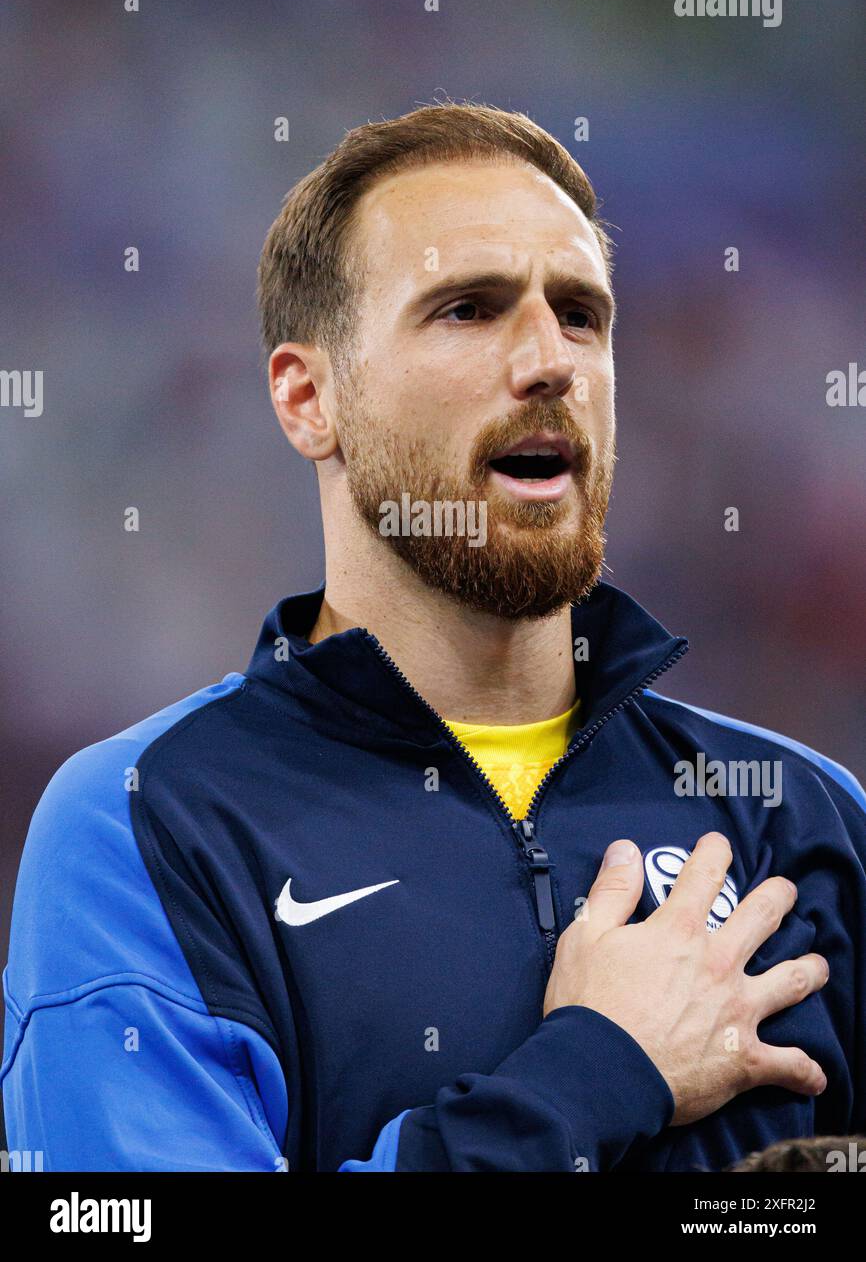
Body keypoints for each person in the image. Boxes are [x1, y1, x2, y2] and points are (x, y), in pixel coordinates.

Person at [3, 103, 864, 1172]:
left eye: (580, 314)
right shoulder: (144, 825)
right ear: (307, 397)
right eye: (467, 309)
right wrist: (594, 1072)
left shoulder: (801, 812)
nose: (550, 360)